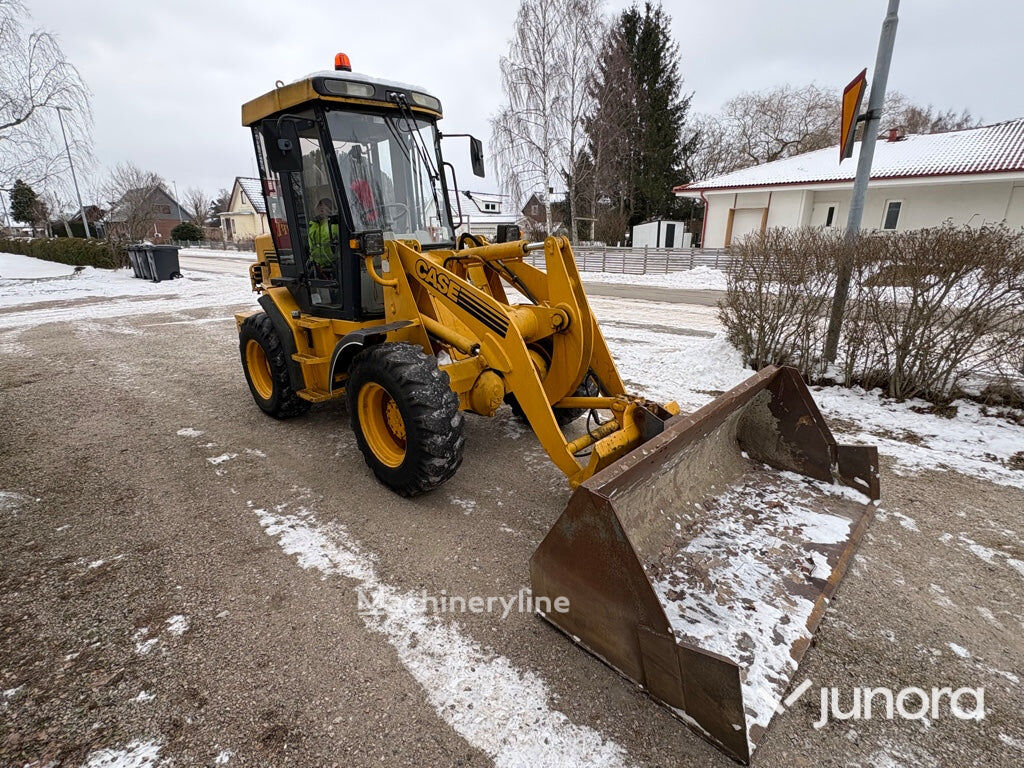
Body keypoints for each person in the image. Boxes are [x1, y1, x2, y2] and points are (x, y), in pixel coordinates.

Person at [307, 197, 339, 268]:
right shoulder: (312, 224)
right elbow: (311, 245)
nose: (321, 210)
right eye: (319, 208)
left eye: (324, 208)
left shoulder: (335, 224)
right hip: (316, 266)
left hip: (334, 265)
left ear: (330, 209)